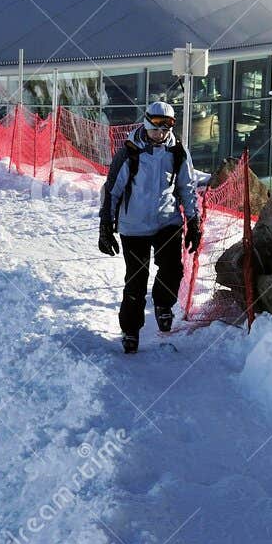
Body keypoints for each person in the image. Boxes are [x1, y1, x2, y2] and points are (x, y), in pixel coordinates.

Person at [98, 101, 201, 354]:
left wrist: (194, 221)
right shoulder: (131, 151)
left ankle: (163, 305)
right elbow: (113, 190)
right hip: (134, 226)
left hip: (167, 221)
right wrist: (105, 226)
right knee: (136, 279)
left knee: (173, 268)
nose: (160, 132)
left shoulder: (177, 152)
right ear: (146, 122)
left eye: (166, 127)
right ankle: (131, 330)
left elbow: (187, 188)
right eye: (156, 126)